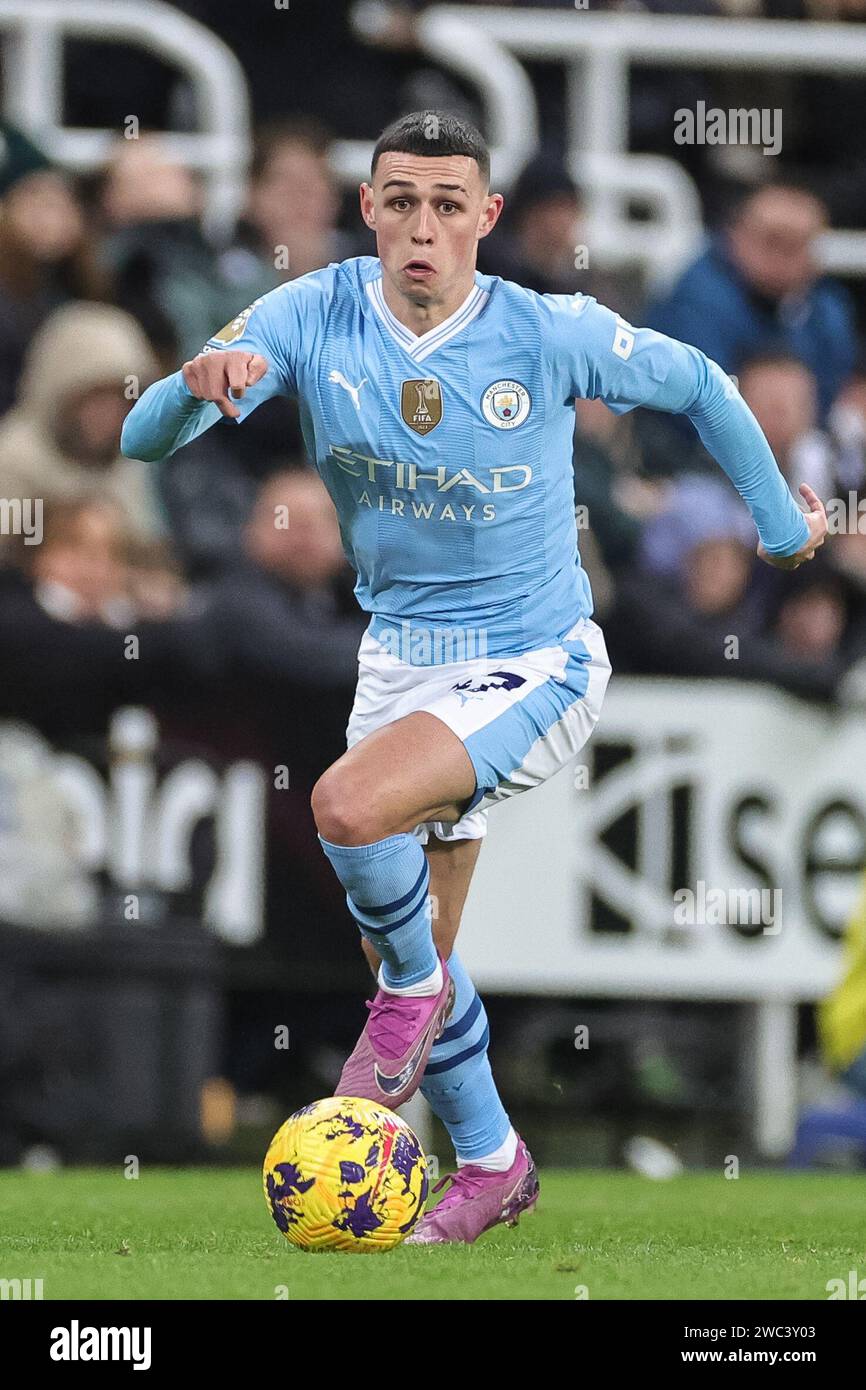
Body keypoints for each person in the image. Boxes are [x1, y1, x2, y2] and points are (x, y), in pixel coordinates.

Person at [121, 110, 827, 1245]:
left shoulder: (545, 331)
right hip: (397, 663)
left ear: (486, 219)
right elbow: (140, 443)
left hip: (534, 659)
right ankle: (491, 1160)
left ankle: (401, 1004)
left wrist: (777, 515)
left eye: (449, 204)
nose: (423, 226)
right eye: (400, 200)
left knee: (347, 809)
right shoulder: (310, 312)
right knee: (421, 940)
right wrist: (196, 385)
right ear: (368, 210)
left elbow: (698, 380)